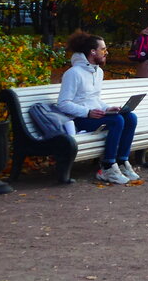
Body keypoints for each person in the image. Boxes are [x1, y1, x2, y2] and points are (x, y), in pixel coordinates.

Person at [56, 31, 141, 184]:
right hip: (79, 120)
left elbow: (94, 98)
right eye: (103, 49)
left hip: (95, 115)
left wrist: (108, 108)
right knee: (117, 121)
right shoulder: (73, 73)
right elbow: (63, 103)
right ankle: (107, 167)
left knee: (130, 117)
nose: (106, 52)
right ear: (92, 52)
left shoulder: (98, 72)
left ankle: (122, 162)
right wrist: (87, 113)